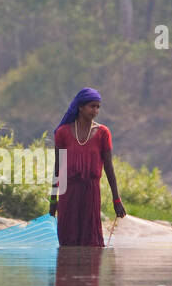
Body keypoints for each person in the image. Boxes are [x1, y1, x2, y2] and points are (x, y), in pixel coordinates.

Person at [49, 88, 125, 246]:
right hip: (68, 193)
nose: (96, 110)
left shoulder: (103, 133)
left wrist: (116, 199)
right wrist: (53, 200)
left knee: (91, 242)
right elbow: (58, 169)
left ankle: (89, 271)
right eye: (92, 106)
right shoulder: (63, 133)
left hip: (91, 193)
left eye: (98, 107)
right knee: (67, 240)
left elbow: (109, 168)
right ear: (80, 107)